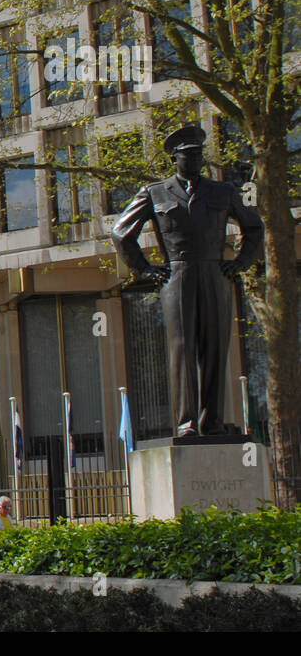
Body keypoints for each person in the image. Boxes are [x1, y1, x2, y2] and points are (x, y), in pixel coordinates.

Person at [112, 124, 263, 437]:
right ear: (175, 158)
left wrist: (241, 263)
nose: (194, 160)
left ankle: (213, 421)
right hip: (177, 276)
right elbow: (121, 233)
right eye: (188, 155)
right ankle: (187, 423)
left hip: (215, 274)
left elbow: (254, 228)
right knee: (182, 348)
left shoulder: (223, 192)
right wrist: (144, 269)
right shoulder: (154, 193)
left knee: (215, 348)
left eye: (198, 155)